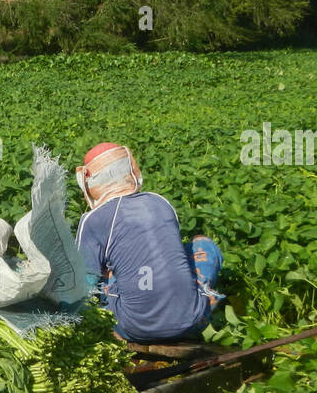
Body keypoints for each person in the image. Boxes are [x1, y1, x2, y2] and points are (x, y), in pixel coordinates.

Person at [74, 142, 224, 343]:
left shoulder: (93, 219)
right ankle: (200, 302)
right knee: (203, 246)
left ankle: (118, 327)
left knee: (98, 275)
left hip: (133, 328)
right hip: (192, 320)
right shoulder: (161, 203)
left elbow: (83, 284)